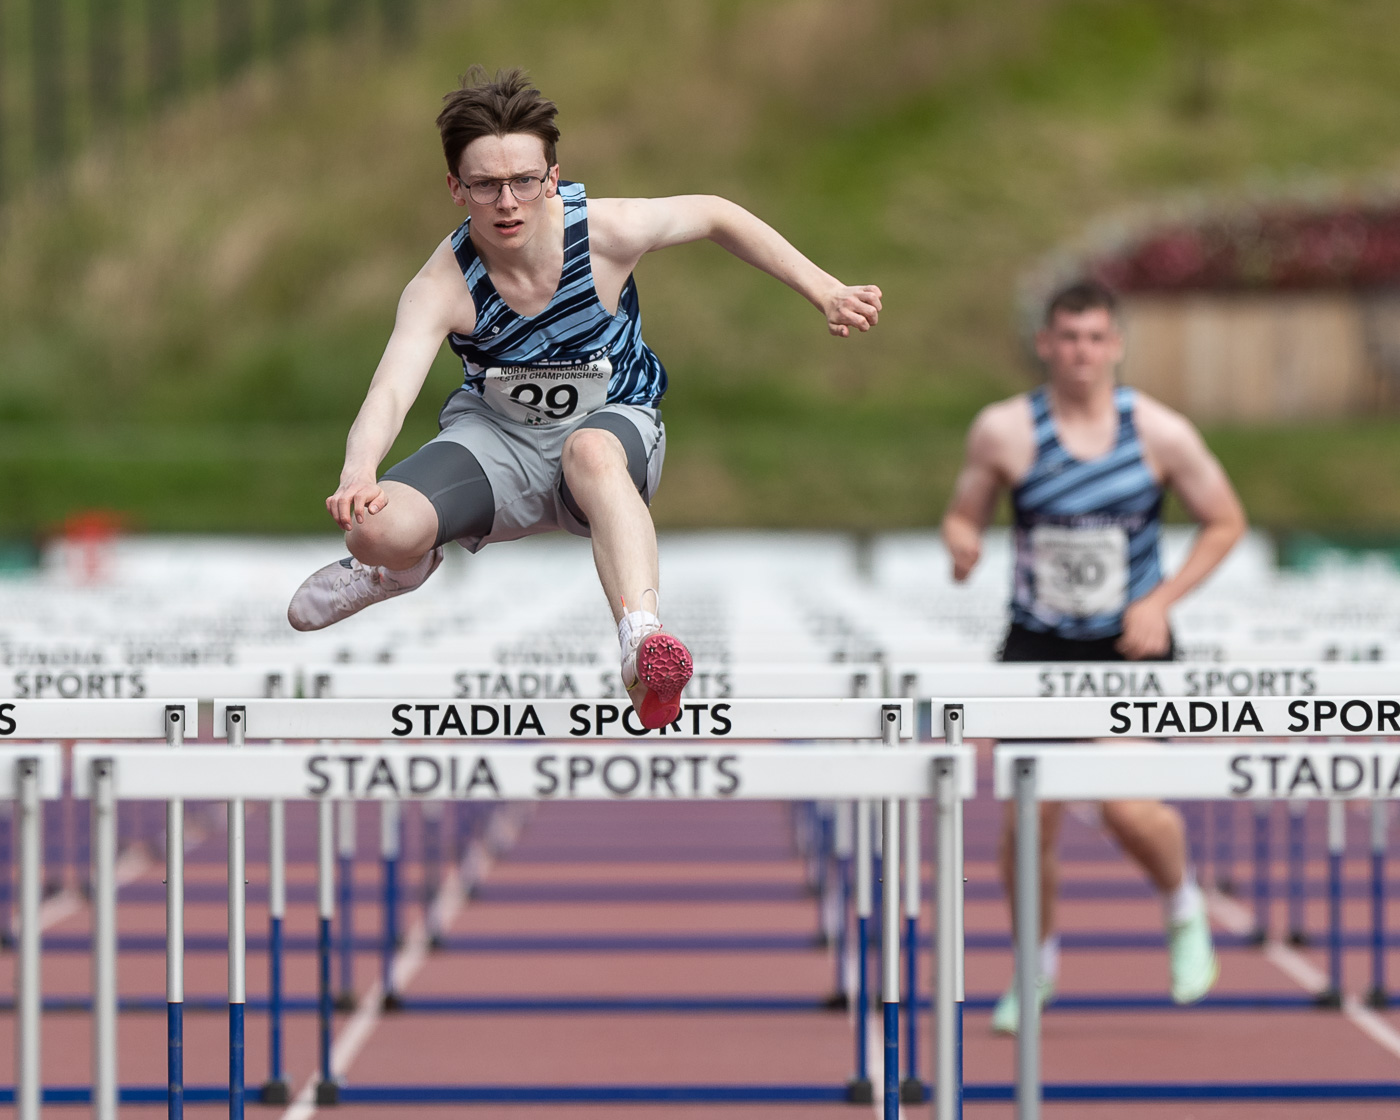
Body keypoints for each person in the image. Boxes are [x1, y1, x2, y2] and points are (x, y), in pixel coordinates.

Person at [286, 68, 882, 728]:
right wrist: (358, 472)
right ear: (456, 188)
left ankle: (644, 643)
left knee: (592, 451)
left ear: (553, 177)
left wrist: (824, 289)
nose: (506, 203)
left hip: (611, 423)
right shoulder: (441, 286)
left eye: (523, 182)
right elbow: (391, 388)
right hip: (498, 445)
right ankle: (395, 569)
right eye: (485, 185)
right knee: (374, 528)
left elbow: (716, 213)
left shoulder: (605, 233)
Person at [941, 279, 1247, 1032]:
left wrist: (1160, 601)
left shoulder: (1160, 433)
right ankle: (1034, 969)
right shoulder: (1006, 431)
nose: (1081, 352)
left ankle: (1182, 909)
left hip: (1129, 642)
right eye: (1067, 338)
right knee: (1026, 819)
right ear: (1046, 344)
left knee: (1124, 803)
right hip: (1038, 642)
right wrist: (961, 541)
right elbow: (963, 510)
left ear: (1115, 346)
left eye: (1094, 338)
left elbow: (1225, 522)